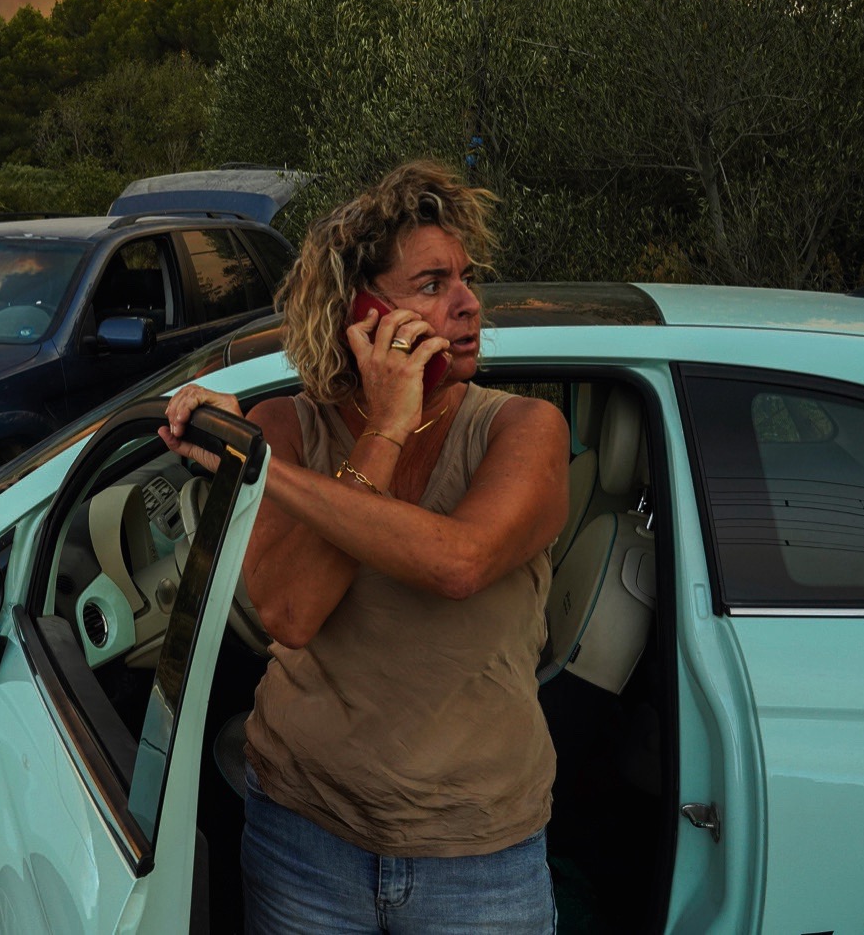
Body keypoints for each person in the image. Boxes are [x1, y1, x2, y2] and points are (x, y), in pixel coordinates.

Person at [160, 159, 569, 935]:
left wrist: (263, 471)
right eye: (432, 285)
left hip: (478, 852)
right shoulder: (291, 427)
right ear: (362, 312)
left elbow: (460, 561)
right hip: (303, 832)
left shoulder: (521, 428)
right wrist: (383, 428)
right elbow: (291, 610)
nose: (469, 303)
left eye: (467, 279)